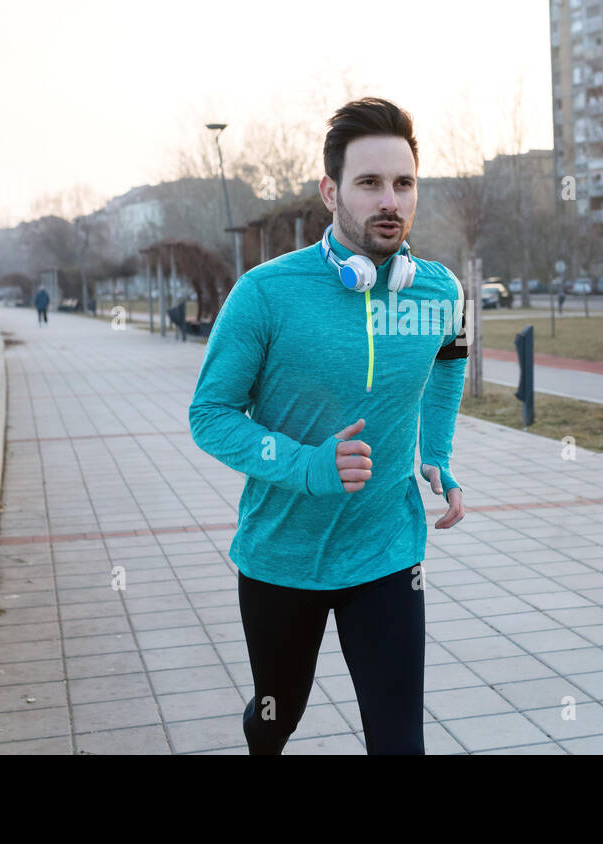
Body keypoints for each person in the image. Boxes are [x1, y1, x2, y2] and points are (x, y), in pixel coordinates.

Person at [188, 97, 467, 755]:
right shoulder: (264, 294)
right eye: (369, 183)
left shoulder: (444, 293)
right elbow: (210, 415)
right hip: (282, 555)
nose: (388, 200)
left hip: (388, 551)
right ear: (330, 191)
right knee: (277, 716)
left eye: (403, 183)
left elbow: (451, 365)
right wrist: (309, 465)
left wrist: (437, 453)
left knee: (400, 744)